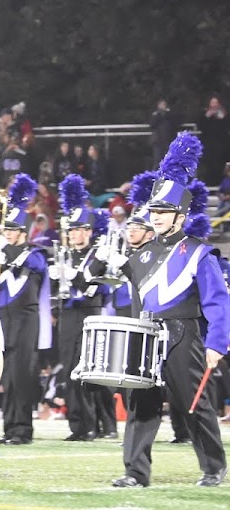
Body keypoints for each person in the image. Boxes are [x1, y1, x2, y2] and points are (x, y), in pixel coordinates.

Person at [108, 132, 228, 488]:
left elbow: (218, 300)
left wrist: (217, 344)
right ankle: (135, 472)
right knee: (140, 405)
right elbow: (135, 300)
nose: (157, 217)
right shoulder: (140, 255)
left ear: (181, 215)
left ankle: (213, 466)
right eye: (154, 211)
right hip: (146, 334)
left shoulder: (198, 252)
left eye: (164, 212)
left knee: (195, 404)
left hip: (183, 334)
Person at [48, 174, 110, 442]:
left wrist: (70, 274)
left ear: (88, 231)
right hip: (69, 315)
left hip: (90, 315)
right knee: (69, 369)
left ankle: (95, 423)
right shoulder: (65, 254)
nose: (75, 234)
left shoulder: (98, 254)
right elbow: (57, 291)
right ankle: (78, 426)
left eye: (79, 230)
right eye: (71, 230)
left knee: (88, 370)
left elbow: (89, 283)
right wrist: (55, 278)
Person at [0, 175, 49, 445]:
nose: (7, 235)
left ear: (24, 234)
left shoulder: (34, 254)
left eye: (12, 231)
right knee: (8, 378)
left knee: (23, 377)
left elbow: (38, 267)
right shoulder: (0, 259)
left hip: (26, 322)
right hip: (4, 321)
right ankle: (9, 428)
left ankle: (23, 430)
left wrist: (8, 254)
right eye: (6, 230)